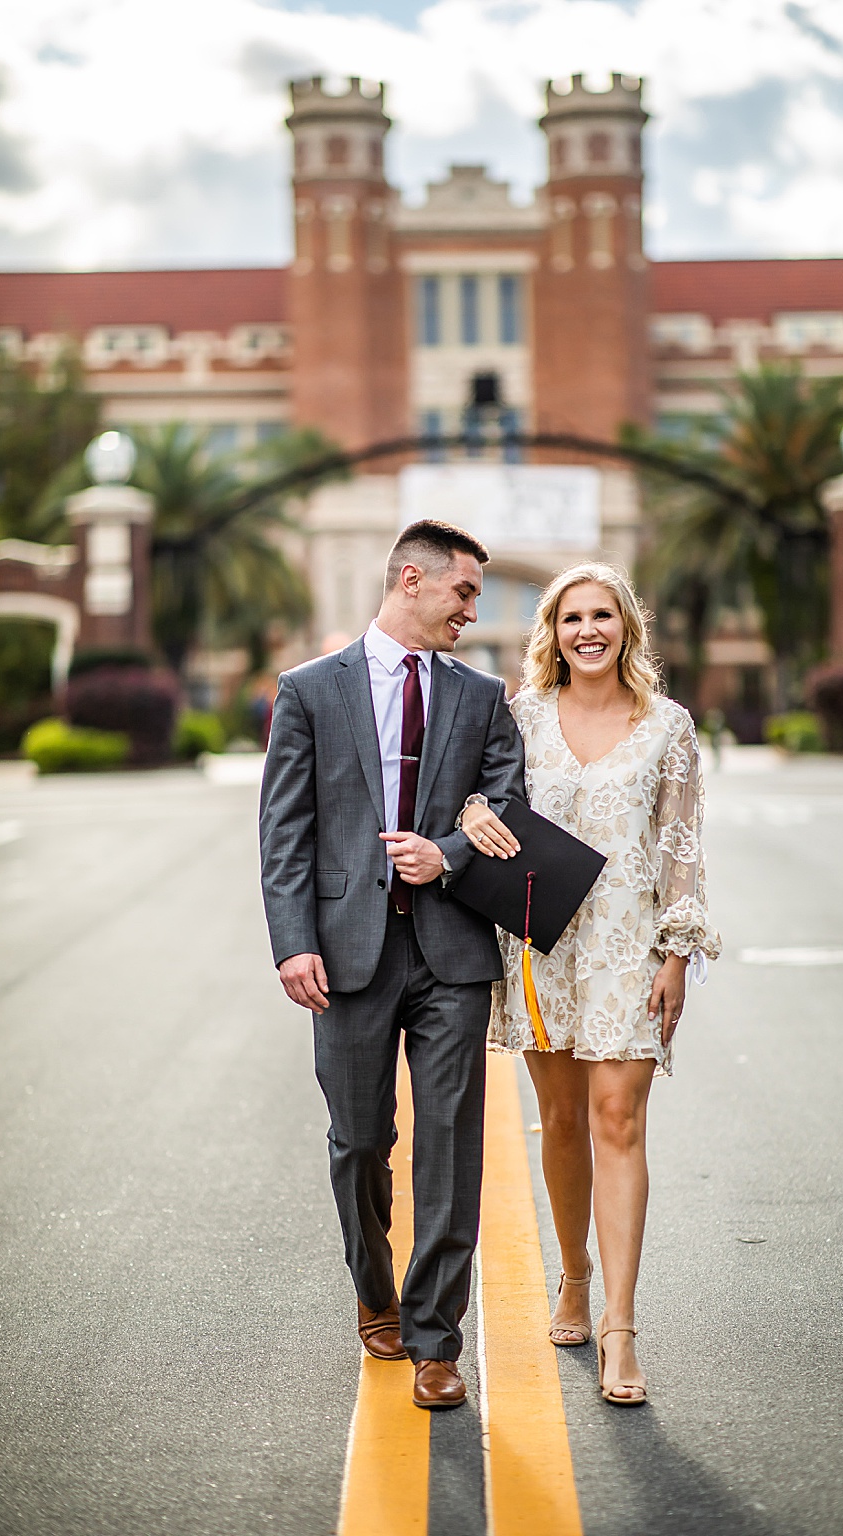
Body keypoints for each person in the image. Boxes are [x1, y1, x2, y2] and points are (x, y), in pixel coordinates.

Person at [258, 519, 527, 1410]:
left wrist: (447, 852)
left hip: (453, 952)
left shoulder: (482, 695)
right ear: (412, 579)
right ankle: (374, 1292)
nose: (471, 610)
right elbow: (285, 829)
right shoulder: (309, 690)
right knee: (360, 1141)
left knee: (450, 1146)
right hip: (344, 953)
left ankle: (436, 1340)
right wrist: (294, 940)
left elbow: (511, 804)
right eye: (464, 591)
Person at [458, 562, 719, 1405]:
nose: (588, 631)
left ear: (626, 626)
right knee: (564, 1120)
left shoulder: (668, 726)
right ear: (554, 633)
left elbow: (681, 845)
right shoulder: (521, 716)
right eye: (572, 618)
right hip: (542, 946)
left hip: (629, 947)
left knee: (619, 1120)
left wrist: (678, 953)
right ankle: (572, 1275)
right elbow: (474, 797)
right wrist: (471, 813)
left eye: (602, 615)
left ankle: (621, 1327)